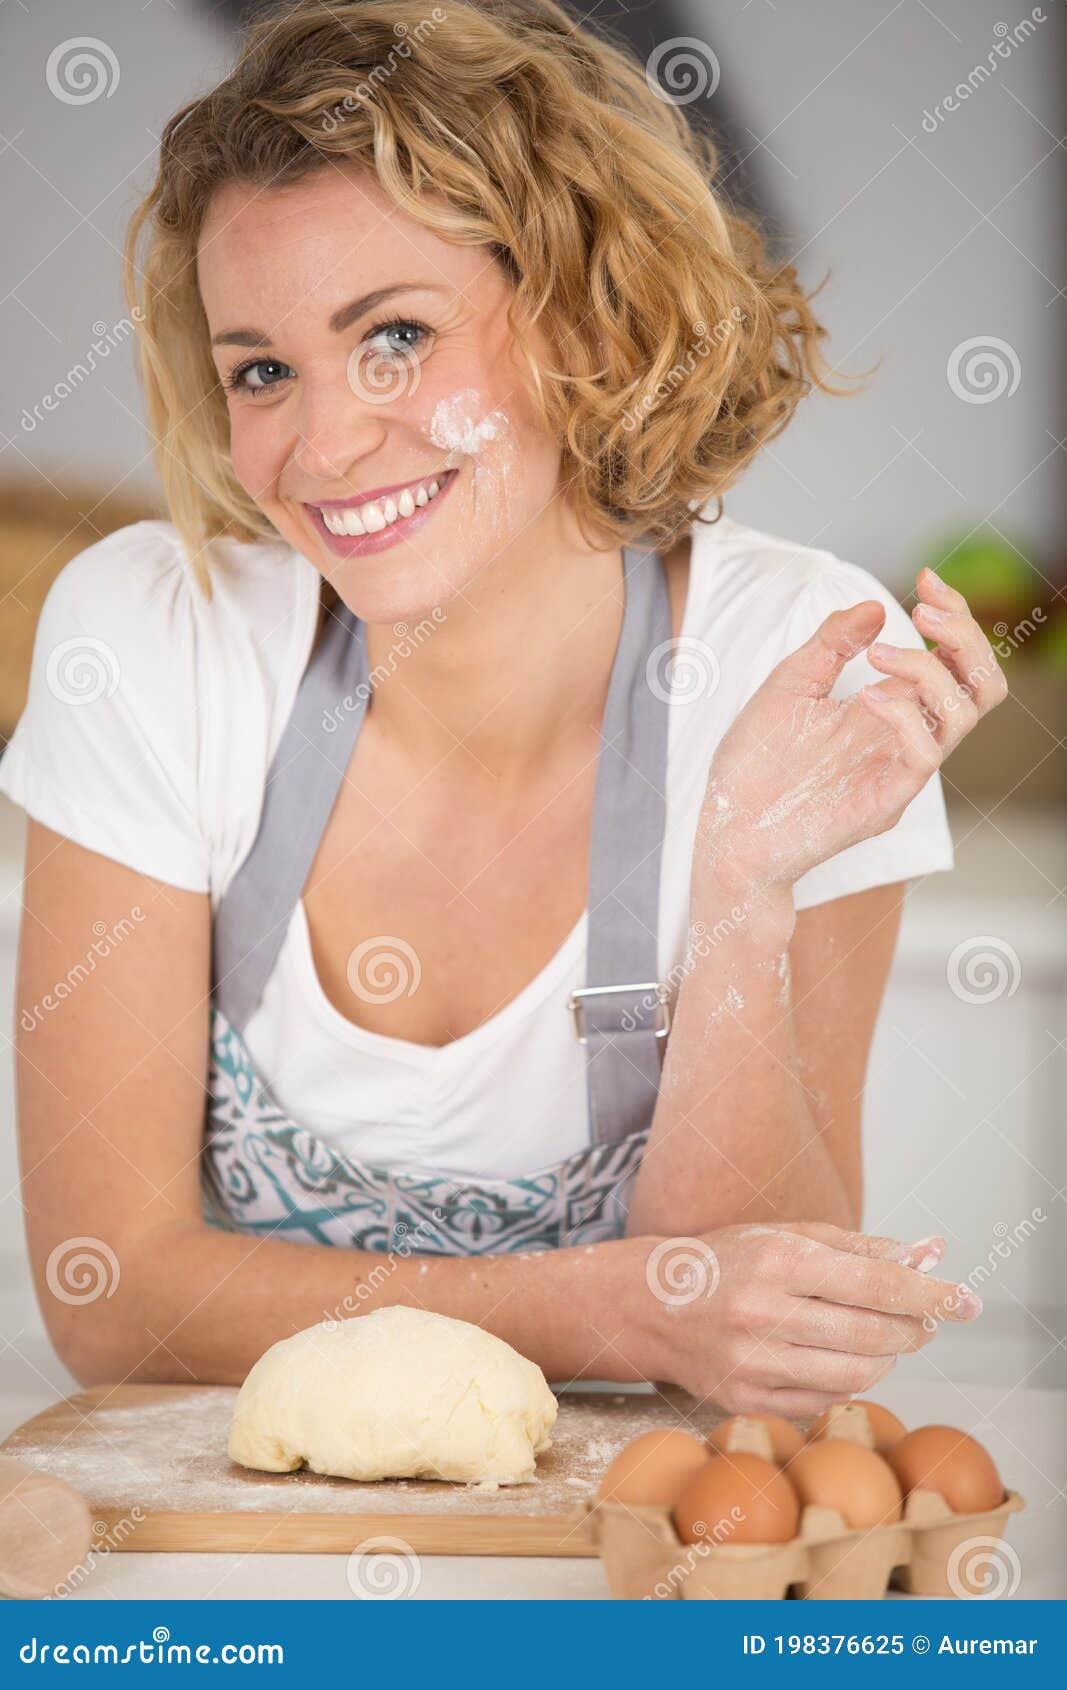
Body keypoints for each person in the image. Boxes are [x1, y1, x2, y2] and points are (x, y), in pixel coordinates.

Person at [1, 0, 1004, 1415]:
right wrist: (618, 1307)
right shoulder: (157, 640)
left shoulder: (795, 658)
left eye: (396, 335)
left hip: (628, 1524)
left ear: (582, 320)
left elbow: (763, 1344)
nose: (324, 445)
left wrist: (739, 894)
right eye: (263, 370)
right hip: (247, 1522)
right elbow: (110, 1294)